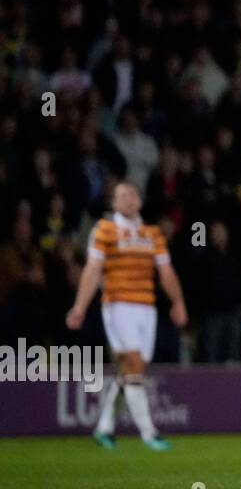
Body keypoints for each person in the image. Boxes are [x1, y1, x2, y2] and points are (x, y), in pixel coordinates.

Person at [65, 180, 188, 450]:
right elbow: (93, 268)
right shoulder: (104, 229)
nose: (126, 199)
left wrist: (178, 302)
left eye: (131, 194)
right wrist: (80, 306)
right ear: (113, 202)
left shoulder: (152, 233)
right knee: (133, 365)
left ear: (139, 201)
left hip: (147, 308)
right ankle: (149, 433)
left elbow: (165, 272)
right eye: (121, 196)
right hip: (117, 305)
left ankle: (104, 428)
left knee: (133, 369)